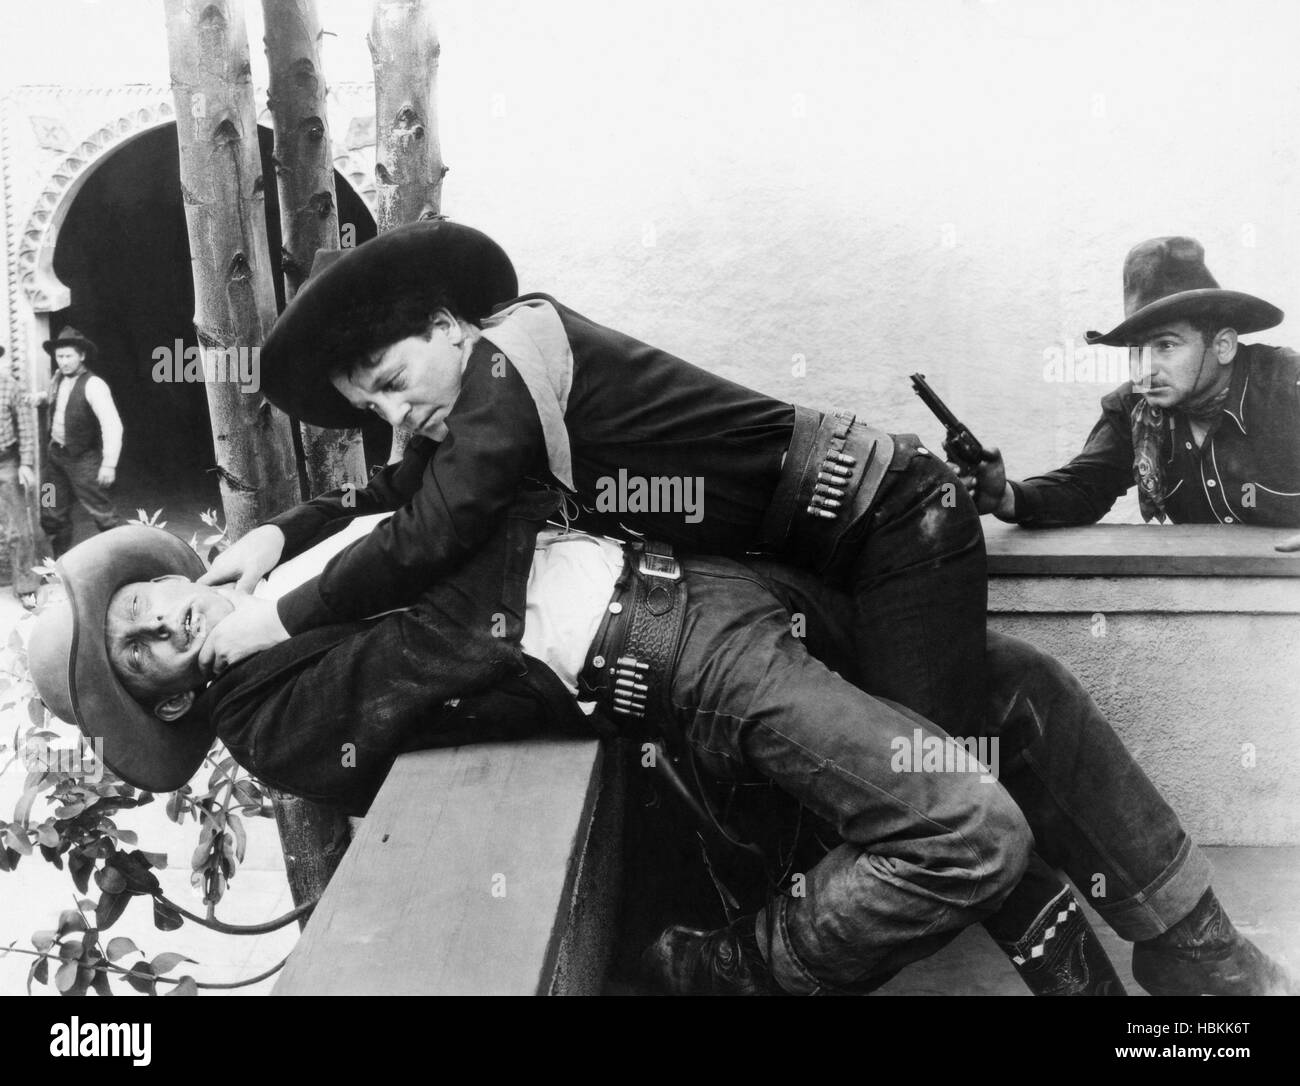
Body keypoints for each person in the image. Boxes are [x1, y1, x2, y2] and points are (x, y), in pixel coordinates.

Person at [28, 509, 1295, 996]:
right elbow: (454, 627)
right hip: (683, 732)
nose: (161, 615)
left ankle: (1200, 960)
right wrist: (456, 513)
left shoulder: (261, 589)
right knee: (965, 819)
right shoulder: (277, 713)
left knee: (1015, 691)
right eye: (140, 648)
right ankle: (737, 972)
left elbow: (406, 518)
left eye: (147, 598)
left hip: (712, 613)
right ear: (168, 700)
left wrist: (287, 536)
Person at [198, 221, 989, 755]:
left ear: (447, 326)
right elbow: (392, 490)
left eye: (395, 383)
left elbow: (434, 526)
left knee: (932, 786)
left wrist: (278, 619)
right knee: (905, 772)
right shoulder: (479, 405)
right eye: (374, 408)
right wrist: (277, 534)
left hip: (895, 519)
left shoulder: (510, 353)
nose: (398, 416)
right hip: (828, 547)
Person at [957, 236, 1300, 529]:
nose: (1144, 370)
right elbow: (1085, 486)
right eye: (1136, 351)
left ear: (1222, 346)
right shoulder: (1134, 407)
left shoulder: (1286, 384)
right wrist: (1005, 497)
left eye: (1166, 346)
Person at [28, 326, 125, 556]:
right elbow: (53, 398)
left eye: (68, 356)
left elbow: (112, 425)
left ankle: (128, 561)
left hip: (83, 461)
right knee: (50, 508)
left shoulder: (94, 385)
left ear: (81, 355)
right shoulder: (58, 379)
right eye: (59, 357)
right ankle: (57, 566)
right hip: (54, 460)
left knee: (103, 513)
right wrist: (39, 398)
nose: (63, 362)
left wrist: (109, 463)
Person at [0, 344, 40, 607]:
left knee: (18, 529)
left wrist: (26, 463)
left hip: (7, 462)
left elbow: (25, 427)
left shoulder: (9, 385)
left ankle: (25, 585)